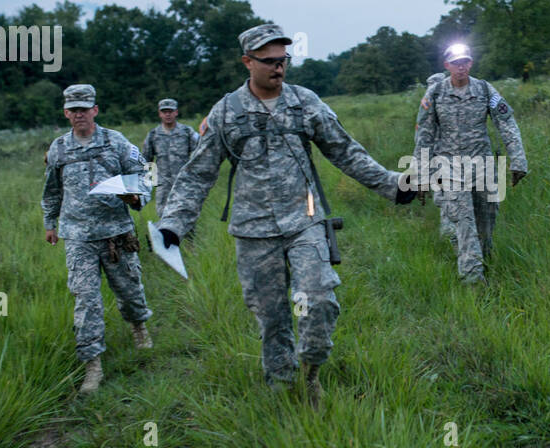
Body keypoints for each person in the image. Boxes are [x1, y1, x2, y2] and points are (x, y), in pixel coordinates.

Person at [158, 23, 418, 408]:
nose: (278, 69)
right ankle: (282, 389)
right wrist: (173, 224)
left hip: (305, 220)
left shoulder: (304, 102)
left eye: (284, 61)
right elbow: (198, 173)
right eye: (269, 62)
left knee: (319, 298)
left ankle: (311, 372)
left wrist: (394, 185)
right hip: (253, 231)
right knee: (272, 316)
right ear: (247, 62)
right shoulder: (226, 111)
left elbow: (345, 151)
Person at [42, 84, 154, 393]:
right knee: (86, 299)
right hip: (77, 237)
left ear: (95, 109)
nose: (79, 114)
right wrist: (49, 222)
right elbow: (52, 189)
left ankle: (140, 330)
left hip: (115, 233)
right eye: (73, 109)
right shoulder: (59, 149)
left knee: (129, 289)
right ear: (66, 113)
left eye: (85, 108)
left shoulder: (116, 142)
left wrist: (136, 197)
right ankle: (93, 366)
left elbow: (144, 175)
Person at [412, 43, 527, 284]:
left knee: (486, 225)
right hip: (450, 168)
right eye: (455, 62)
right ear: (447, 65)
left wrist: (518, 160)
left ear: (471, 63)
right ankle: (473, 282)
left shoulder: (485, 90)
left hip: (483, 166)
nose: (460, 66)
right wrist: (421, 176)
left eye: (465, 61)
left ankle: (485, 265)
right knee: (465, 224)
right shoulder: (434, 94)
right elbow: (424, 136)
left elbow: (506, 124)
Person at [141, 98, 200, 217]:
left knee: (187, 214)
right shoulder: (153, 135)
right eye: (164, 111)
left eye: (170, 111)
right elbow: (147, 160)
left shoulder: (187, 132)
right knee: (163, 215)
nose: (167, 114)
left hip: (184, 182)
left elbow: (198, 154)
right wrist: (149, 185)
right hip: (164, 184)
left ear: (176, 112)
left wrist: (194, 177)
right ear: (160, 113)